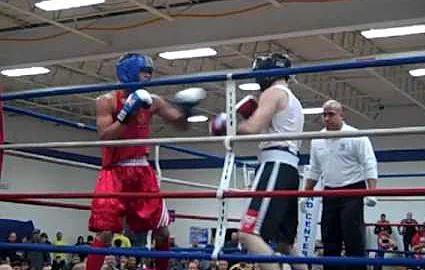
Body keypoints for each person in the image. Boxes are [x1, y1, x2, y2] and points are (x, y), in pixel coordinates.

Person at [86, 53, 206, 270]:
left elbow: (180, 125)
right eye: (144, 72)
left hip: (141, 169)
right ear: (129, 72)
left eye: (150, 73)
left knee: (163, 231)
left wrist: (186, 109)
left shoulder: (153, 101)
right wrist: (126, 114)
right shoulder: (106, 101)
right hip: (114, 171)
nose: (148, 77)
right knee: (105, 231)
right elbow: (105, 136)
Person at [210, 53, 305, 270]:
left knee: (248, 234)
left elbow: (252, 128)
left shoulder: (273, 93)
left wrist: (226, 126)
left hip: (275, 165)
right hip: (290, 169)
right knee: (285, 244)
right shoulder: (293, 99)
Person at [303, 99, 378, 270]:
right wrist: (305, 194)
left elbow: (369, 163)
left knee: (353, 238)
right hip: (329, 191)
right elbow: (314, 169)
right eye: (324, 115)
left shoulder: (356, 135)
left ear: (341, 115)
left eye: (331, 114)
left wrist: (372, 192)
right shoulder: (317, 140)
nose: (327, 118)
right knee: (329, 238)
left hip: (353, 189)